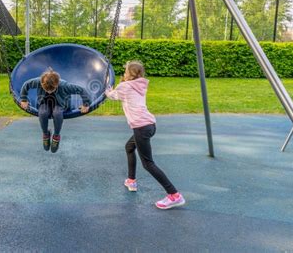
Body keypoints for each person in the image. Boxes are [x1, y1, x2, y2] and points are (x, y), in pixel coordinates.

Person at [105, 61, 185, 210]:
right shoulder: (140, 85)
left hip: (141, 128)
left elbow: (112, 95)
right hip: (150, 125)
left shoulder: (125, 86)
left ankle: (174, 195)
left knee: (148, 164)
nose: (124, 73)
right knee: (129, 147)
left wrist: (107, 89)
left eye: (125, 71)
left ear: (129, 74)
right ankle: (131, 180)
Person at [20, 69, 91, 153]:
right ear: (42, 84)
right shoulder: (38, 82)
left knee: (57, 113)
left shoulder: (64, 85)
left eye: (52, 90)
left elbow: (81, 90)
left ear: (57, 84)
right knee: (42, 113)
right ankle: (46, 134)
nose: (49, 92)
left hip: (60, 104)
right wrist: (24, 99)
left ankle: (56, 136)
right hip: (44, 103)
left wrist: (85, 104)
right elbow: (26, 84)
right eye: (46, 90)